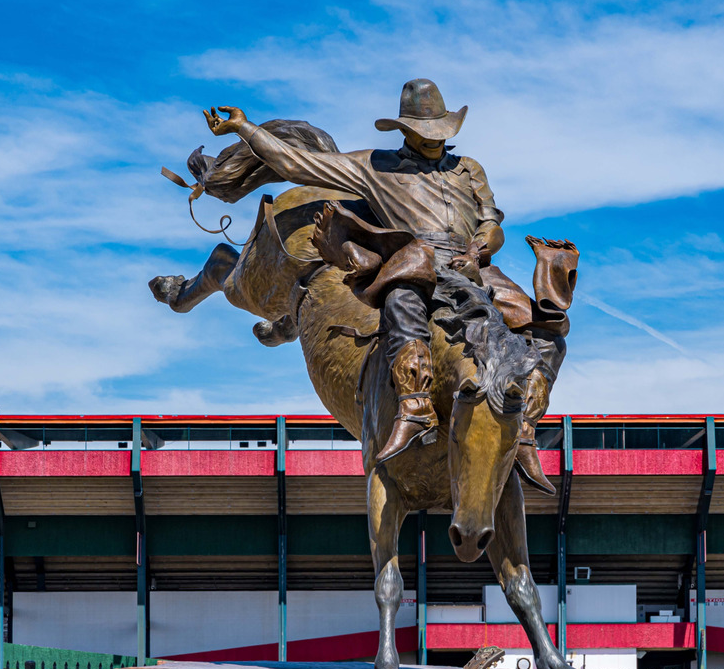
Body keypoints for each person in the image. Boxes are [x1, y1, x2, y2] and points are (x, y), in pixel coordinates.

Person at [203, 80, 557, 488]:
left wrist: (479, 249)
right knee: (403, 299)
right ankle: (413, 405)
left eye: (440, 132)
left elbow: (492, 225)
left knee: (548, 328)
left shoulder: (469, 169)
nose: (434, 140)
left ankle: (524, 426)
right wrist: (244, 128)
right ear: (404, 130)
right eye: (425, 133)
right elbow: (296, 164)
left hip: (473, 264)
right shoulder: (375, 166)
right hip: (416, 258)